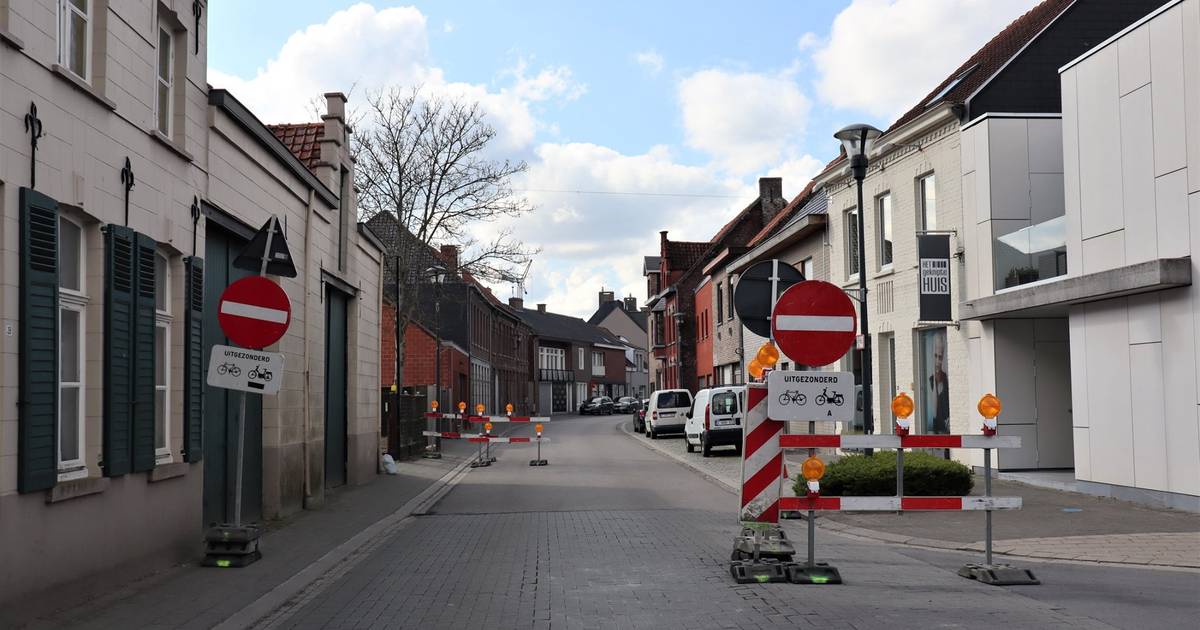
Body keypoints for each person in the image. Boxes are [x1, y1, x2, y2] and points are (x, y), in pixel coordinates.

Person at [927, 332, 950, 434]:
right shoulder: (929, 381)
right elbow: (934, 414)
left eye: (940, 357)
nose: (937, 362)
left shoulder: (947, 380)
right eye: (935, 356)